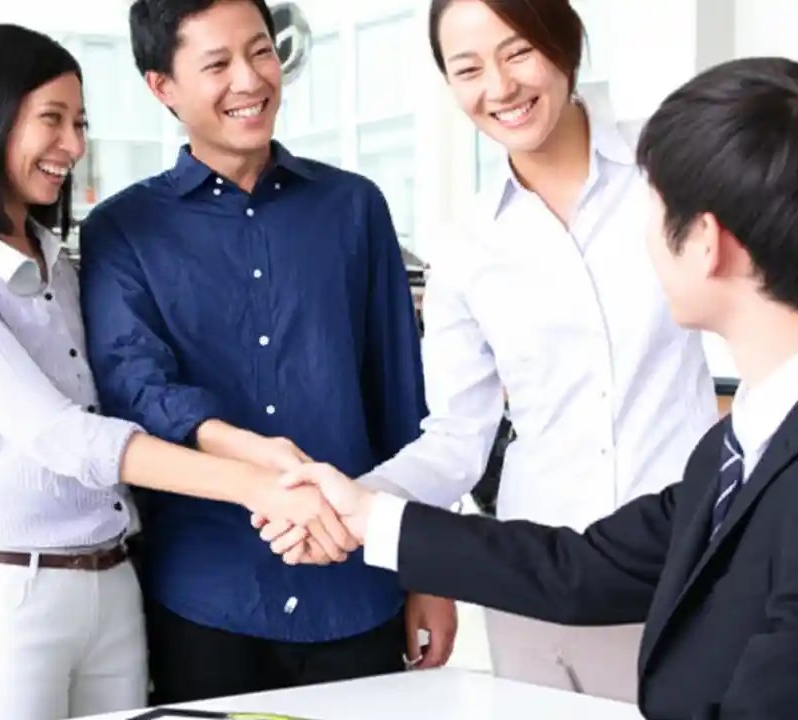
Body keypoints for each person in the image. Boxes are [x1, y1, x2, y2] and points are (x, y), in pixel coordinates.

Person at [268, 56, 798, 718]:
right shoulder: (755, 439)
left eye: (652, 213)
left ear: (707, 241)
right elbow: (580, 569)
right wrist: (364, 514)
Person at [0, 24, 353, 720]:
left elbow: (134, 397)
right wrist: (259, 486)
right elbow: (69, 439)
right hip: (6, 599)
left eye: (79, 124)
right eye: (52, 120)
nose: (73, 147)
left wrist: (255, 449)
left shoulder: (60, 266)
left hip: (111, 589)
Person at [267, 0, 719, 701]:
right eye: (468, 68)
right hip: (534, 583)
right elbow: (457, 439)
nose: (500, 88)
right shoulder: (465, 243)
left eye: (517, 52)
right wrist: (351, 502)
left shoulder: (671, 170)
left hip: (686, 561)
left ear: (564, 43)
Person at [77, 0, 457, 705]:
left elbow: (403, 404)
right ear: (163, 86)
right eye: (217, 64)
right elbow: (135, 387)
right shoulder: (120, 230)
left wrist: (428, 571)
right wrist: (258, 455)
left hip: (356, 585)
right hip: (206, 595)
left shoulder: (355, 209)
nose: (250, 80)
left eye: (260, 52)